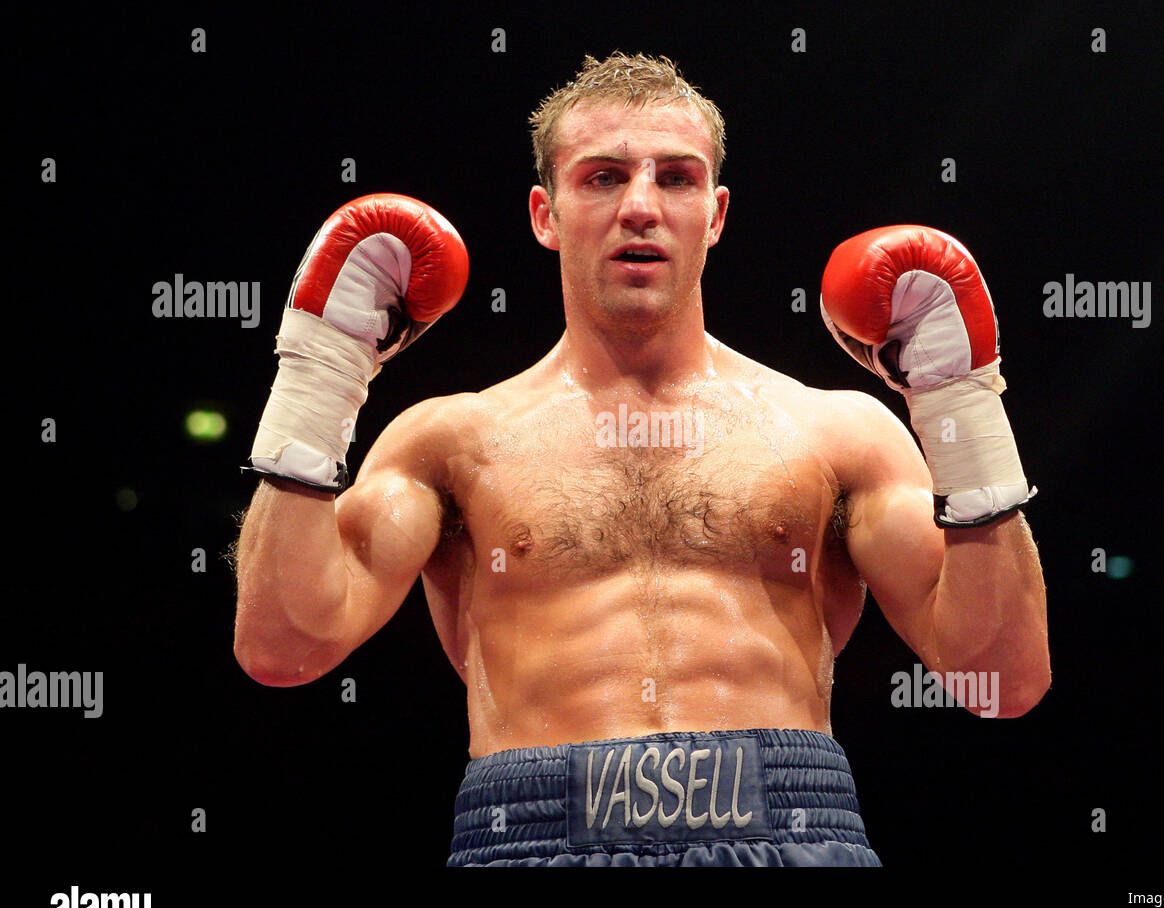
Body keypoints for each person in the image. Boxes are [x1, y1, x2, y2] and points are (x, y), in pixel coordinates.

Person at [233, 52, 1050, 866]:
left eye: (676, 178)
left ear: (716, 213)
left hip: (790, 826)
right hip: (531, 830)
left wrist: (959, 408)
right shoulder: (452, 440)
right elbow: (283, 647)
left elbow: (1006, 681)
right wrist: (320, 376)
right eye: (602, 177)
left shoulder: (838, 430)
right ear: (544, 213)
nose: (640, 206)